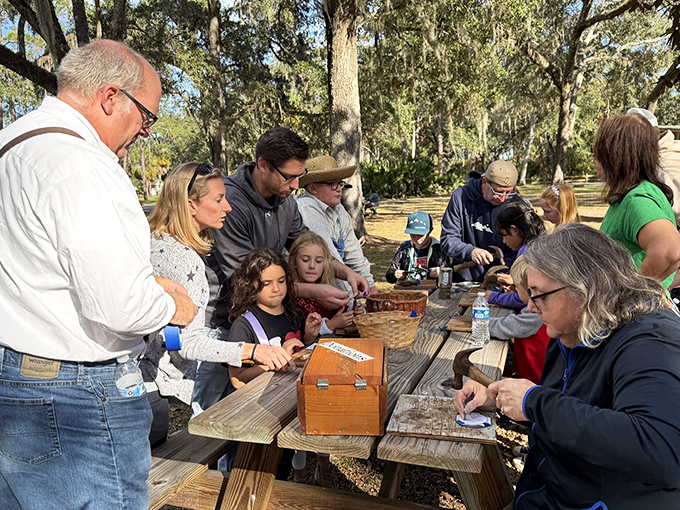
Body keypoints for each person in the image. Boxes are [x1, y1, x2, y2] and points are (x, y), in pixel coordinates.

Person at [0, 40, 198, 510]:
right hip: (75, 397)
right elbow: (120, 307)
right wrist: (174, 304)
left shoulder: (12, 145)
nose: (145, 132)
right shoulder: (82, 165)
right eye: (146, 116)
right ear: (111, 98)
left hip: (15, 379)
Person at [454, 223, 680, 510]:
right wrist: (499, 399)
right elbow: (571, 413)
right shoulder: (571, 328)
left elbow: (663, 453)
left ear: (583, 289)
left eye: (540, 294)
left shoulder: (650, 341)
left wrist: (535, 401)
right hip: (548, 492)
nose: (532, 308)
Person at [195, 128, 369, 414]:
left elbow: (303, 241)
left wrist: (344, 272)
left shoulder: (286, 201)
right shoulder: (232, 204)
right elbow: (247, 276)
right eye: (290, 176)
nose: (297, 184)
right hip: (224, 319)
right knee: (214, 409)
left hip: (267, 317)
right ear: (263, 165)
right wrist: (314, 291)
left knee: (258, 407)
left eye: (300, 175)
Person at [141, 162, 293, 446]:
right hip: (146, 389)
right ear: (191, 205)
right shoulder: (183, 259)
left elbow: (169, 331)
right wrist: (253, 350)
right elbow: (187, 342)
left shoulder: (150, 239)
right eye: (219, 199)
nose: (228, 208)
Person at [226, 249, 332, 487]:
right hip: (261, 413)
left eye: (282, 281)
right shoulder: (244, 325)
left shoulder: (294, 312)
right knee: (267, 473)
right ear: (250, 285)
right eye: (267, 283)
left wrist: (308, 337)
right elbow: (237, 379)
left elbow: (298, 354)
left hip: (292, 404)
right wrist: (274, 360)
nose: (277, 289)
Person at [595, 112, 680, 288]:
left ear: (613, 156)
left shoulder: (637, 200)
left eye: (597, 151)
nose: (594, 159)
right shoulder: (629, 196)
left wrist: (633, 291)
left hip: (638, 312)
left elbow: (669, 249)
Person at [296, 154, 378, 294]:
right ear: (313, 187)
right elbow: (329, 260)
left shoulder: (338, 209)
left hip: (332, 293)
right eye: (332, 184)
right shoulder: (306, 209)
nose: (339, 189)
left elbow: (353, 252)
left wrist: (370, 287)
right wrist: (349, 300)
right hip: (311, 294)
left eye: (340, 183)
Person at [440, 160, 528, 282]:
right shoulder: (461, 197)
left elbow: (524, 246)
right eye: (498, 192)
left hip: (504, 280)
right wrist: (470, 251)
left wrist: (505, 272)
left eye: (508, 192)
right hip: (466, 281)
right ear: (485, 181)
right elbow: (448, 239)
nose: (503, 199)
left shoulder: (516, 204)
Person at [488, 256, 549, 385]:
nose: (514, 290)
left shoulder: (537, 312)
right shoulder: (538, 308)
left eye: (516, 287)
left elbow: (508, 327)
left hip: (536, 382)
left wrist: (480, 322)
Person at [289, 232, 365, 335]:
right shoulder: (291, 299)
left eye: (319, 261)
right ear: (294, 262)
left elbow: (341, 312)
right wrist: (330, 325)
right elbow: (300, 334)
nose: (312, 266)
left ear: (326, 264)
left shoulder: (328, 290)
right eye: (305, 260)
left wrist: (355, 311)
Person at [485, 202, 545, 310]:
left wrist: (493, 297)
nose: (503, 241)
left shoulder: (527, 252)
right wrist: (515, 282)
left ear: (514, 230)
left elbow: (524, 298)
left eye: (504, 235)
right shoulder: (542, 243)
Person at [386, 211, 450, 284]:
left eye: (421, 235)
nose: (418, 239)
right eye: (413, 235)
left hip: (432, 291)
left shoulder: (439, 249)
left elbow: (449, 276)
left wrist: (441, 273)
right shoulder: (404, 248)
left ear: (430, 231)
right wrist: (395, 275)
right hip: (408, 290)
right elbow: (389, 275)